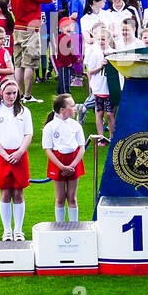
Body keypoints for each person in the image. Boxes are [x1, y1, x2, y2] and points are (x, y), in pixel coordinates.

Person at [0, 79, 33, 242]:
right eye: (8, 93)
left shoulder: (24, 111)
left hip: (19, 155)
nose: (11, 96)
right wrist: (4, 155)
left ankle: (18, 230)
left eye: (14, 93)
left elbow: (28, 134)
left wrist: (20, 151)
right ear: (1, 93)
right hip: (2, 156)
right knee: (5, 193)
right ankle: (7, 230)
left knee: (19, 192)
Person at [7, 0, 54, 104]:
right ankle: (27, 96)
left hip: (18, 28)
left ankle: (18, 94)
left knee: (19, 63)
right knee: (30, 64)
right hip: (31, 30)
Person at [42, 93, 86, 223]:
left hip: (74, 160)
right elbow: (48, 149)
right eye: (71, 106)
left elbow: (81, 147)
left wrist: (72, 165)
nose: (74, 108)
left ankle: (74, 225)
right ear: (62, 110)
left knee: (72, 197)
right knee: (60, 198)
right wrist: (61, 167)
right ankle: (59, 226)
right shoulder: (50, 127)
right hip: (58, 161)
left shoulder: (76, 125)